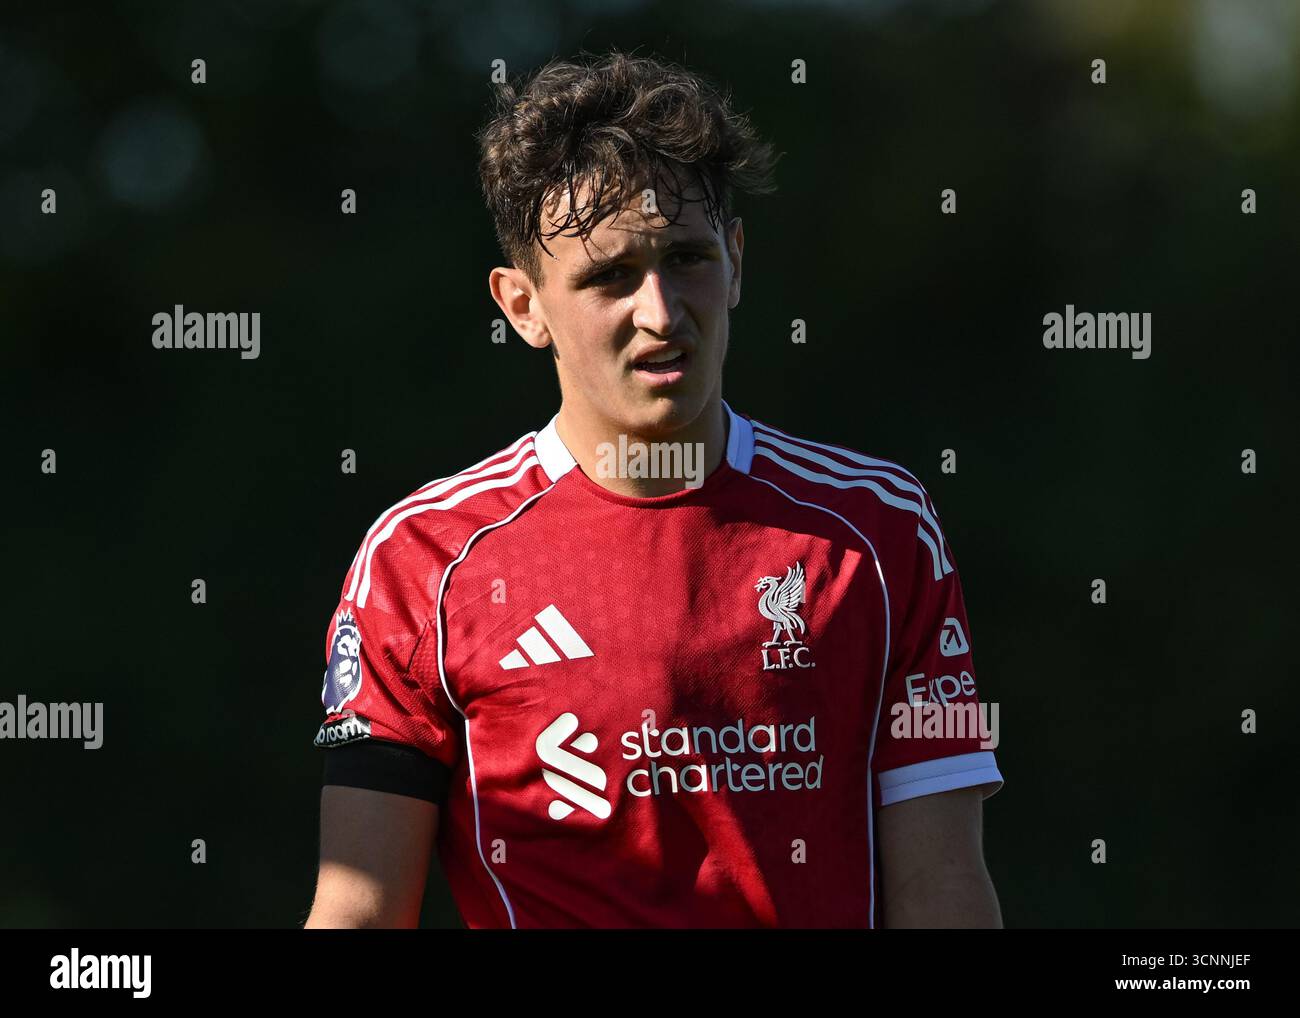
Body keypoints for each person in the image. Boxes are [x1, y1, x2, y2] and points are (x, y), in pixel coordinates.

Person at [305, 49, 1003, 929]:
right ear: (522, 306)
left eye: (687, 258)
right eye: (608, 277)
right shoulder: (420, 562)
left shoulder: (883, 531)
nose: (662, 313)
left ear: (738, 262)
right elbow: (360, 911)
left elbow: (944, 892)